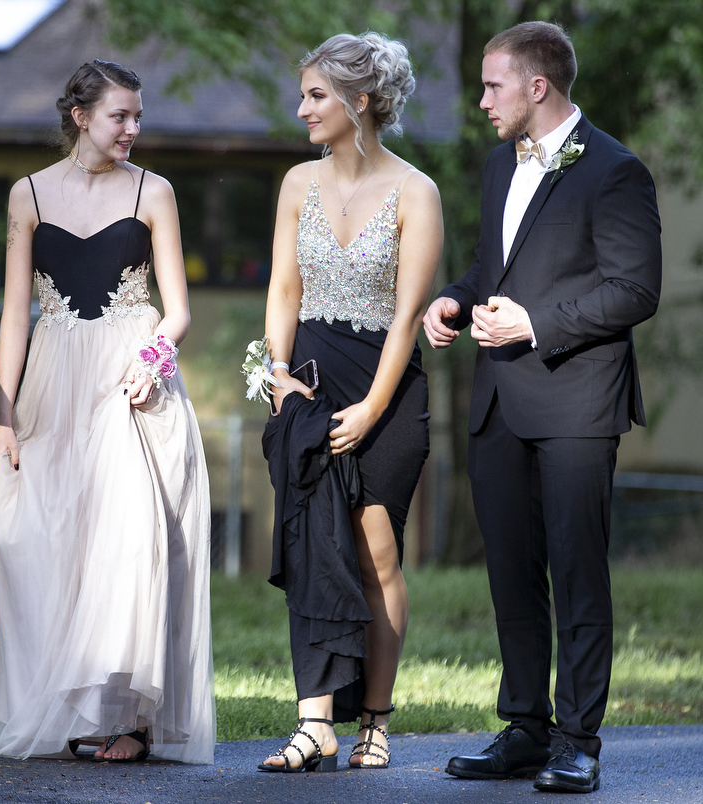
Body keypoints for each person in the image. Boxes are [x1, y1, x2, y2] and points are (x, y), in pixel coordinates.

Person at [424, 21, 662, 794]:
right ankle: (524, 729)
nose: (482, 98)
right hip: (498, 401)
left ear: (537, 85)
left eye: (493, 85)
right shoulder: (500, 165)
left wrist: (536, 323)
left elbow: (635, 289)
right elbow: (492, 265)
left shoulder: (618, 171)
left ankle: (578, 740)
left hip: (578, 405)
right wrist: (454, 301)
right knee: (512, 575)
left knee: (577, 571)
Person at [0, 60, 214, 764]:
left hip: (130, 377)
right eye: (121, 116)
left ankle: (130, 717)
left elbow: (179, 311)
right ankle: (62, 705)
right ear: (80, 115)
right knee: (46, 536)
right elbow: (15, 314)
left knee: (130, 540)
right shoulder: (28, 195)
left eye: (138, 117)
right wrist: (4, 415)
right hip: (50, 377)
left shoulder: (154, 192)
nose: (134, 129)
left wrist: (152, 363)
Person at [258, 32, 443, 773]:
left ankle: (375, 719)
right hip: (306, 384)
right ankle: (315, 723)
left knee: (374, 556)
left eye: (315, 95)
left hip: (386, 390)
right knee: (310, 553)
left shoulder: (416, 191)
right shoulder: (296, 185)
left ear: (359, 101)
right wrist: (275, 372)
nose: (301, 109)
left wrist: (370, 409)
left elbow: (407, 318)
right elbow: (282, 289)